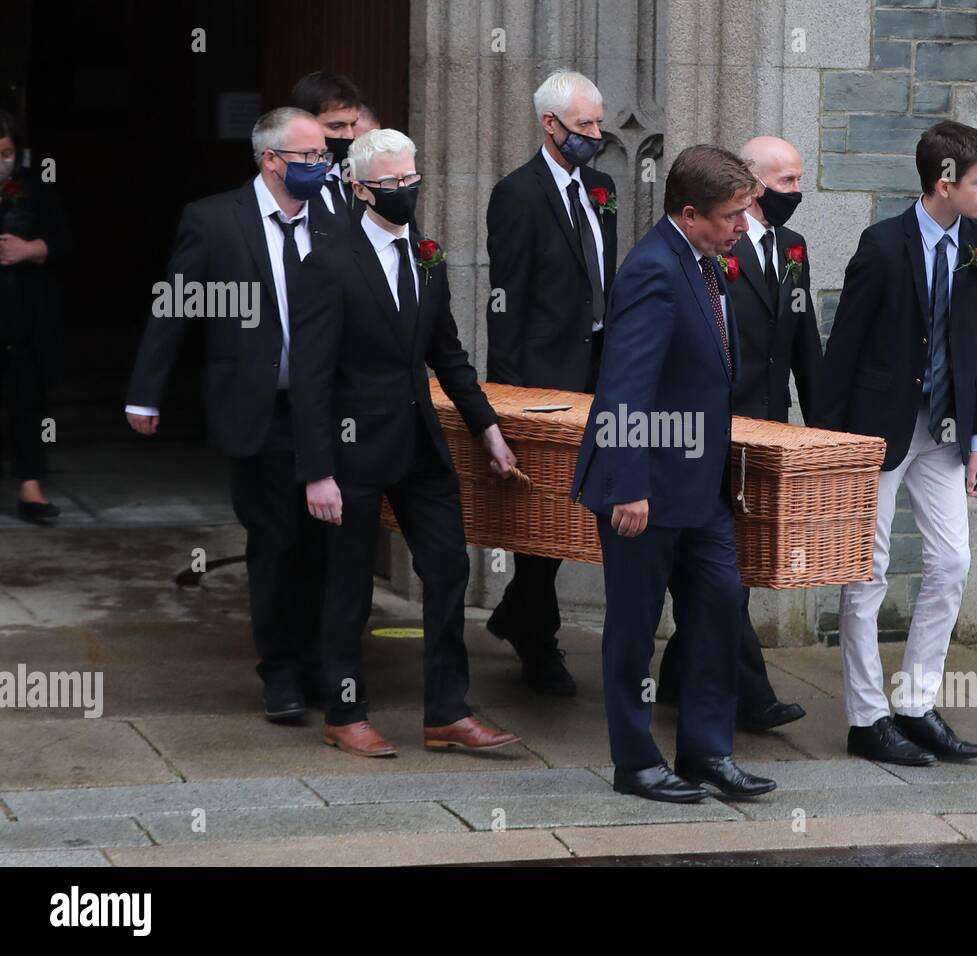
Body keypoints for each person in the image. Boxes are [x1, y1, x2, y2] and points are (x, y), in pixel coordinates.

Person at [291, 128, 521, 758]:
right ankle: (345, 712)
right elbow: (310, 377)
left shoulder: (428, 256)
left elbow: (447, 353)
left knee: (448, 568)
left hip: (419, 444)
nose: (406, 190)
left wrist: (488, 429)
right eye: (392, 183)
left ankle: (446, 712)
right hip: (351, 449)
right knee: (348, 586)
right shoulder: (327, 262)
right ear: (361, 189)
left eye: (412, 178)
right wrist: (317, 471)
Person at [571, 144, 777, 804]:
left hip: (701, 488)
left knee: (718, 610)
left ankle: (707, 751)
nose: (743, 227)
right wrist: (629, 484)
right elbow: (625, 384)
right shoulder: (653, 270)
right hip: (645, 486)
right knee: (634, 629)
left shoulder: (706, 263)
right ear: (690, 215)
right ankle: (635, 761)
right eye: (731, 216)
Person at [125, 107, 334, 722]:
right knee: (275, 542)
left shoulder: (335, 217)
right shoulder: (215, 221)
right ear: (271, 160)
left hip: (325, 411)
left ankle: (320, 663)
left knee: (325, 545)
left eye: (325, 156)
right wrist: (145, 391)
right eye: (309, 158)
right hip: (258, 411)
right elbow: (174, 306)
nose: (321, 166)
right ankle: (281, 674)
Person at [814, 120, 977, 766]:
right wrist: (833, 447)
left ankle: (917, 704)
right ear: (944, 182)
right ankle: (867, 719)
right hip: (879, 431)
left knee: (952, 561)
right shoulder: (881, 246)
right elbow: (841, 353)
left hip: (947, 433)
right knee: (867, 572)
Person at [658, 135, 819, 733]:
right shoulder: (710, 254)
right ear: (749, 183)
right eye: (784, 183)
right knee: (723, 573)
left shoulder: (794, 248)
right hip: (718, 430)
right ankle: (751, 693)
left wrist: (822, 431)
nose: (795, 194)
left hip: (769, 431)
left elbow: (804, 344)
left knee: (736, 566)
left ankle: (678, 673)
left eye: (800, 182)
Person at [484, 70, 617, 696]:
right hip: (541, 377)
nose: (596, 134)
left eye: (598, 122)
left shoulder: (603, 188)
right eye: (584, 125)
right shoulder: (518, 194)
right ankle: (538, 639)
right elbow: (505, 300)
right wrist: (506, 394)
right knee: (543, 511)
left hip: (597, 367)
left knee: (578, 503)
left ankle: (516, 612)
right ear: (550, 125)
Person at [0, 109, 67, 525]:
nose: (2, 160)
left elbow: (64, 240)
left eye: (6, 152)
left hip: (23, 321)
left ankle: (30, 487)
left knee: (28, 404)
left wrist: (30, 249)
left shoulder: (35, 188)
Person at [288, 70, 363, 221]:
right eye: (336, 126)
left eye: (353, 125)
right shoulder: (284, 181)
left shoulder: (364, 177)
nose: (349, 135)